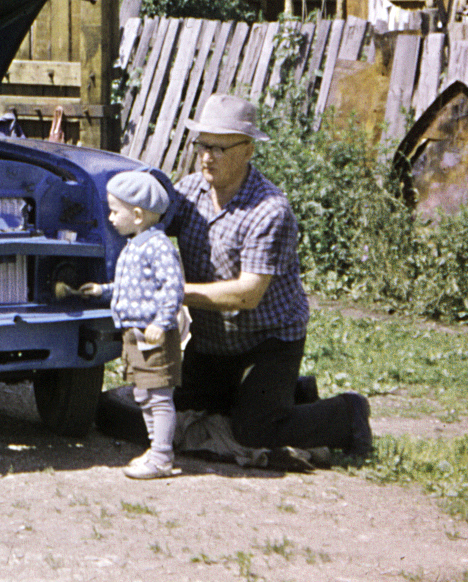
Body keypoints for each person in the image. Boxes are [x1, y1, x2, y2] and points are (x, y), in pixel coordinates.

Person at [171, 94, 372, 457]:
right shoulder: (187, 192)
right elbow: (147, 221)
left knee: (255, 430)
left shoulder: (270, 210)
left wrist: (175, 292)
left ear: (248, 150)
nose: (206, 156)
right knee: (178, 419)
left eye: (219, 147)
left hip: (268, 340)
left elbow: (247, 295)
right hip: (213, 341)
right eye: (202, 144)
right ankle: (292, 393)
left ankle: (347, 412)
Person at [77, 170, 186, 479]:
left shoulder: (158, 246)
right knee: (142, 394)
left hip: (153, 335)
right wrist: (103, 290)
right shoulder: (135, 244)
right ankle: (155, 449)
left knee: (158, 395)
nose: (110, 218)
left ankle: (163, 456)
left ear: (137, 215)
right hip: (134, 334)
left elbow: (173, 287)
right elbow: (131, 287)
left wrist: (162, 322)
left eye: (115, 211)